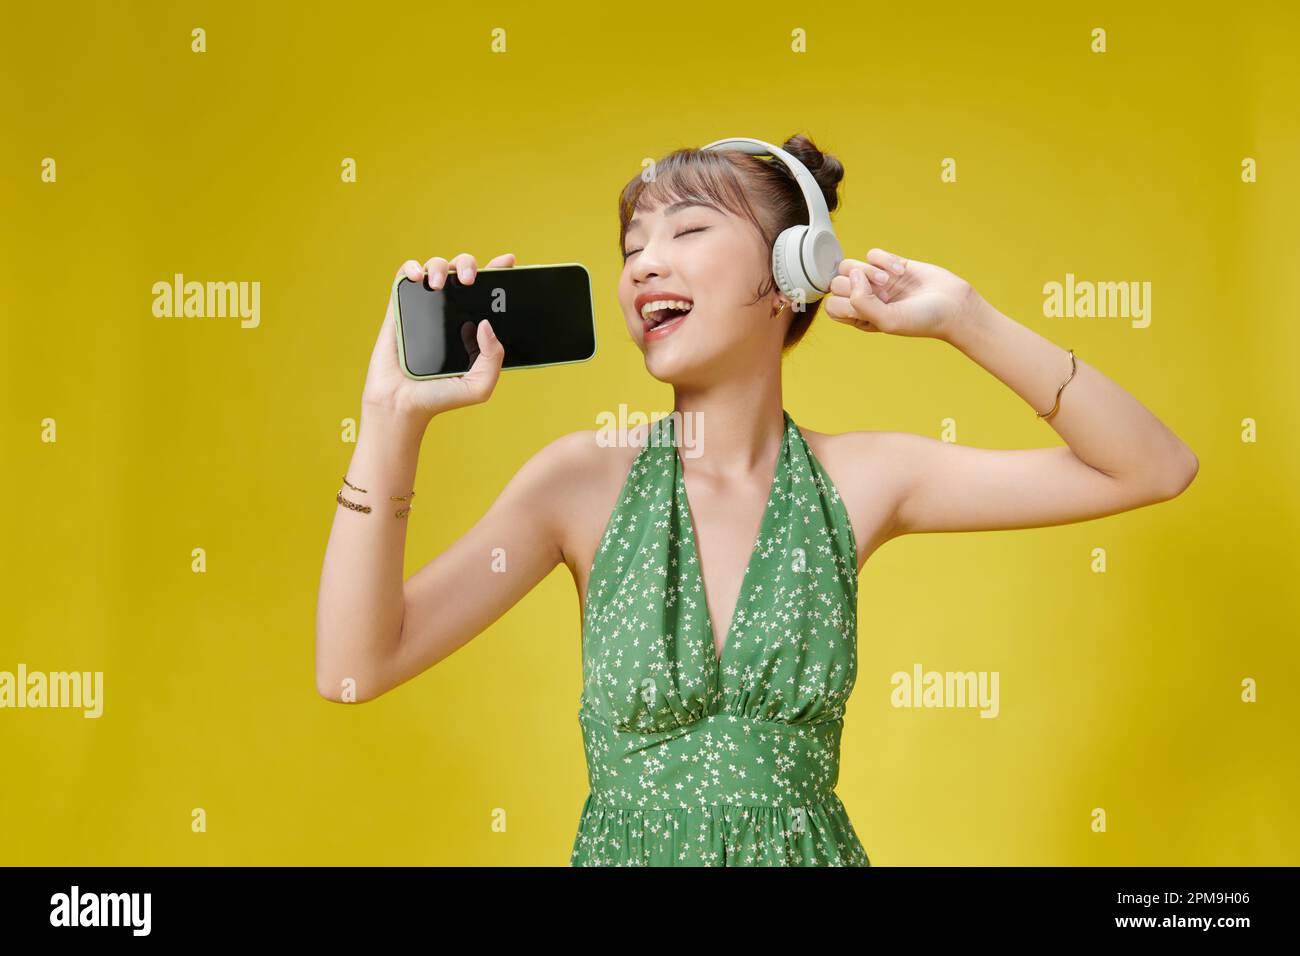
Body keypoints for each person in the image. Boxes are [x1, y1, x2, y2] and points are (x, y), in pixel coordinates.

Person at [315, 134, 1199, 866]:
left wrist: (967, 319)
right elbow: (353, 669)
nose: (642, 267)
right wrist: (389, 418)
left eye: (687, 231)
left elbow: (1151, 468)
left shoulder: (863, 482)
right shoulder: (581, 482)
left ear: (792, 273)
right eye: (631, 250)